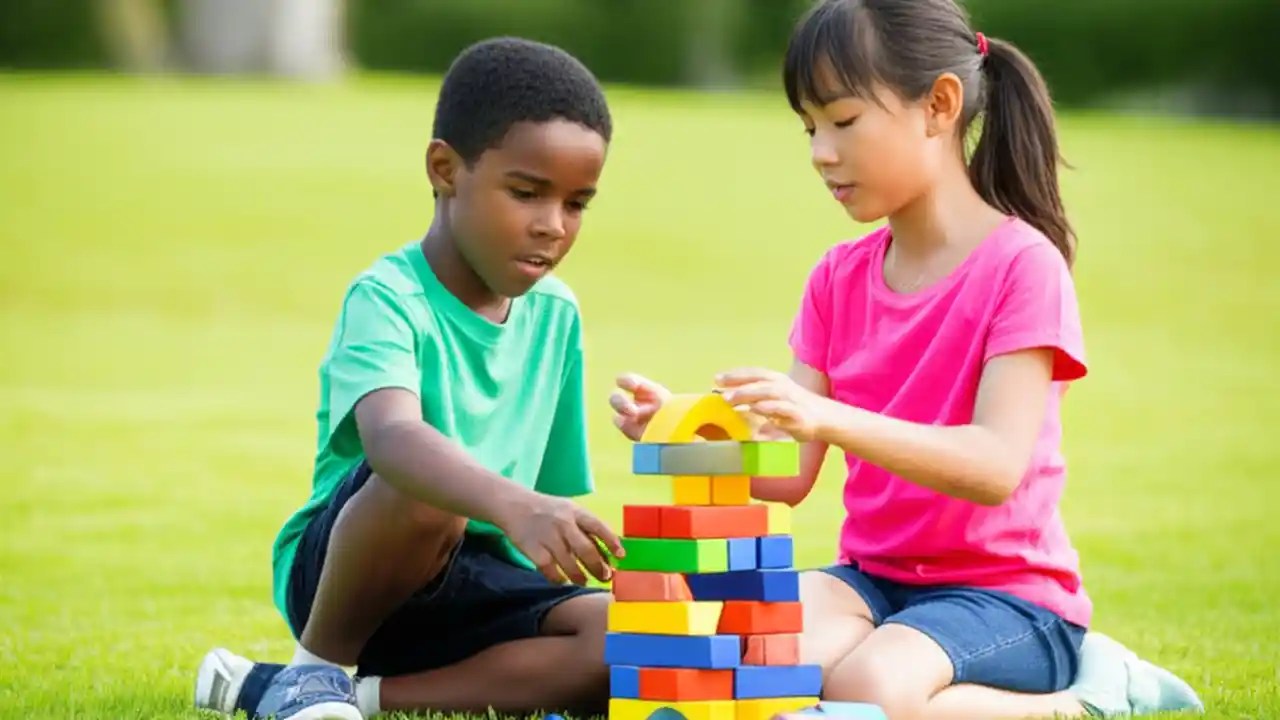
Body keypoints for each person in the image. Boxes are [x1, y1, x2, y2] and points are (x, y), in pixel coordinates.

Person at [610, 1, 1204, 718]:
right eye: (809, 127)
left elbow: (994, 467)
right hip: (873, 579)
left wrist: (830, 416)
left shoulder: (1022, 268)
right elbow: (790, 475)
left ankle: (1091, 696)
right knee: (746, 646)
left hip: (1008, 598)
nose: (820, 152)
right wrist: (683, 437)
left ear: (939, 106)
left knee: (868, 690)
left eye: (844, 120)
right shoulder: (837, 277)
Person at [192, 36, 624, 720]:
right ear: (446, 169)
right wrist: (513, 504)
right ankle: (315, 670)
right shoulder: (389, 296)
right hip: (355, 572)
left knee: (633, 643)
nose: (552, 226)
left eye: (577, 204)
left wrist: (591, 577)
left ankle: (339, 696)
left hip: (476, 582)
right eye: (526, 192)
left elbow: (540, 501)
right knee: (430, 491)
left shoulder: (556, 317)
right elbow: (392, 441)